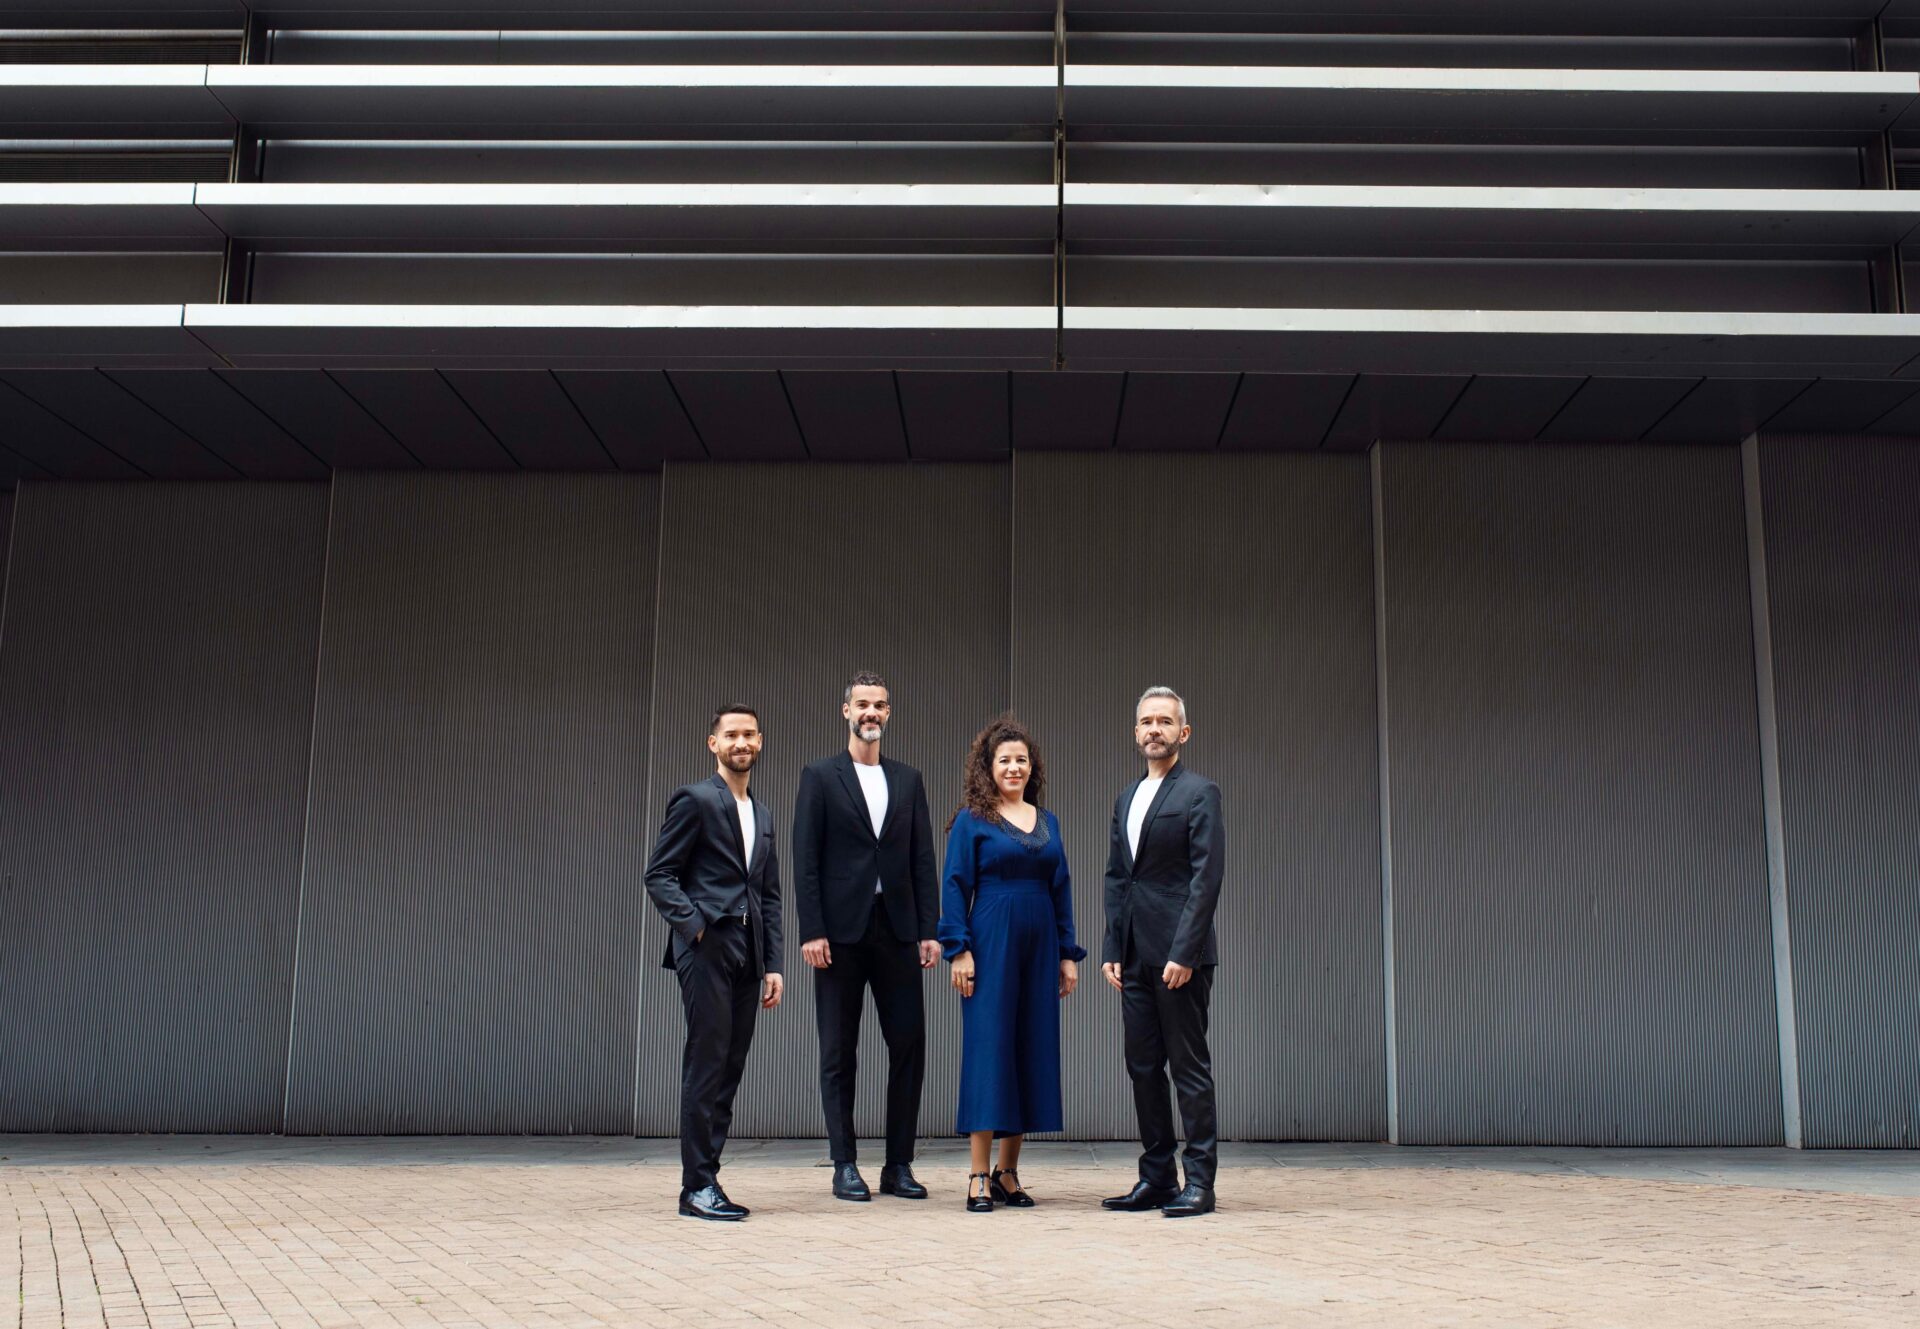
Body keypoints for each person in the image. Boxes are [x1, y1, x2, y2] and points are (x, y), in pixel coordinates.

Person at [792, 670, 940, 1202]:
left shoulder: (908, 779)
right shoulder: (820, 776)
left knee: (909, 1045)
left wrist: (929, 929)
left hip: (897, 929)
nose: (870, 712)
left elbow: (922, 858)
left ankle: (898, 1165)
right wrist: (812, 929)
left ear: (888, 713)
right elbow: (806, 859)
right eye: (862, 704)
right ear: (846, 712)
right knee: (839, 1049)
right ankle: (844, 1164)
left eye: (879, 704)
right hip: (839, 934)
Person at [937, 715, 1085, 1213]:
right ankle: (978, 1173)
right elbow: (954, 885)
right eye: (1004, 760)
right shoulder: (971, 820)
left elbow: (1061, 889)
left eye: (1022, 759)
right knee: (989, 1048)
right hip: (990, 941)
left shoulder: (1049, 822)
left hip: (1040, 945)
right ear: (988, 767)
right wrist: (958, 948)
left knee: (1029, 1047)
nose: (1014, 767)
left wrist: (1067, 954)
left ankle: (1008, 1172)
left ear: (1032, 766)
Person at [643, 704, 785, 1222]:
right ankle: (696, 1186)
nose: (741, 742)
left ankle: (709, 1177)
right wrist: (696, 926)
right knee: (706, 1063)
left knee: (730, 1065)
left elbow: (768, 894)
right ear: (714, 744)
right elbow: (659, 874)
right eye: (731, 735)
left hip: (749, 951)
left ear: (760, 741)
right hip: (707, 946)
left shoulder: (763, 815)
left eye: (749, 734)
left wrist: (773, 963)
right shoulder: (696, 799)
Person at [1099, 686, 1224, 1218]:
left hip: (1179, 958)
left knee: (1188, 1068)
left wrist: (1185, 952)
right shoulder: (1126, 797)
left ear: (1183, 732)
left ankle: (1200, 1183)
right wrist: (1112, 946)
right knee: (1143, 1068)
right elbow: (1117, 877)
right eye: (1147, 721)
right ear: (1136, 732)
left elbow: (1205, 878)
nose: (1155, 729)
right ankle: (1156, 1178)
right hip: (1133, 956)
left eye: (1165, 721)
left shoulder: (1199, 792)